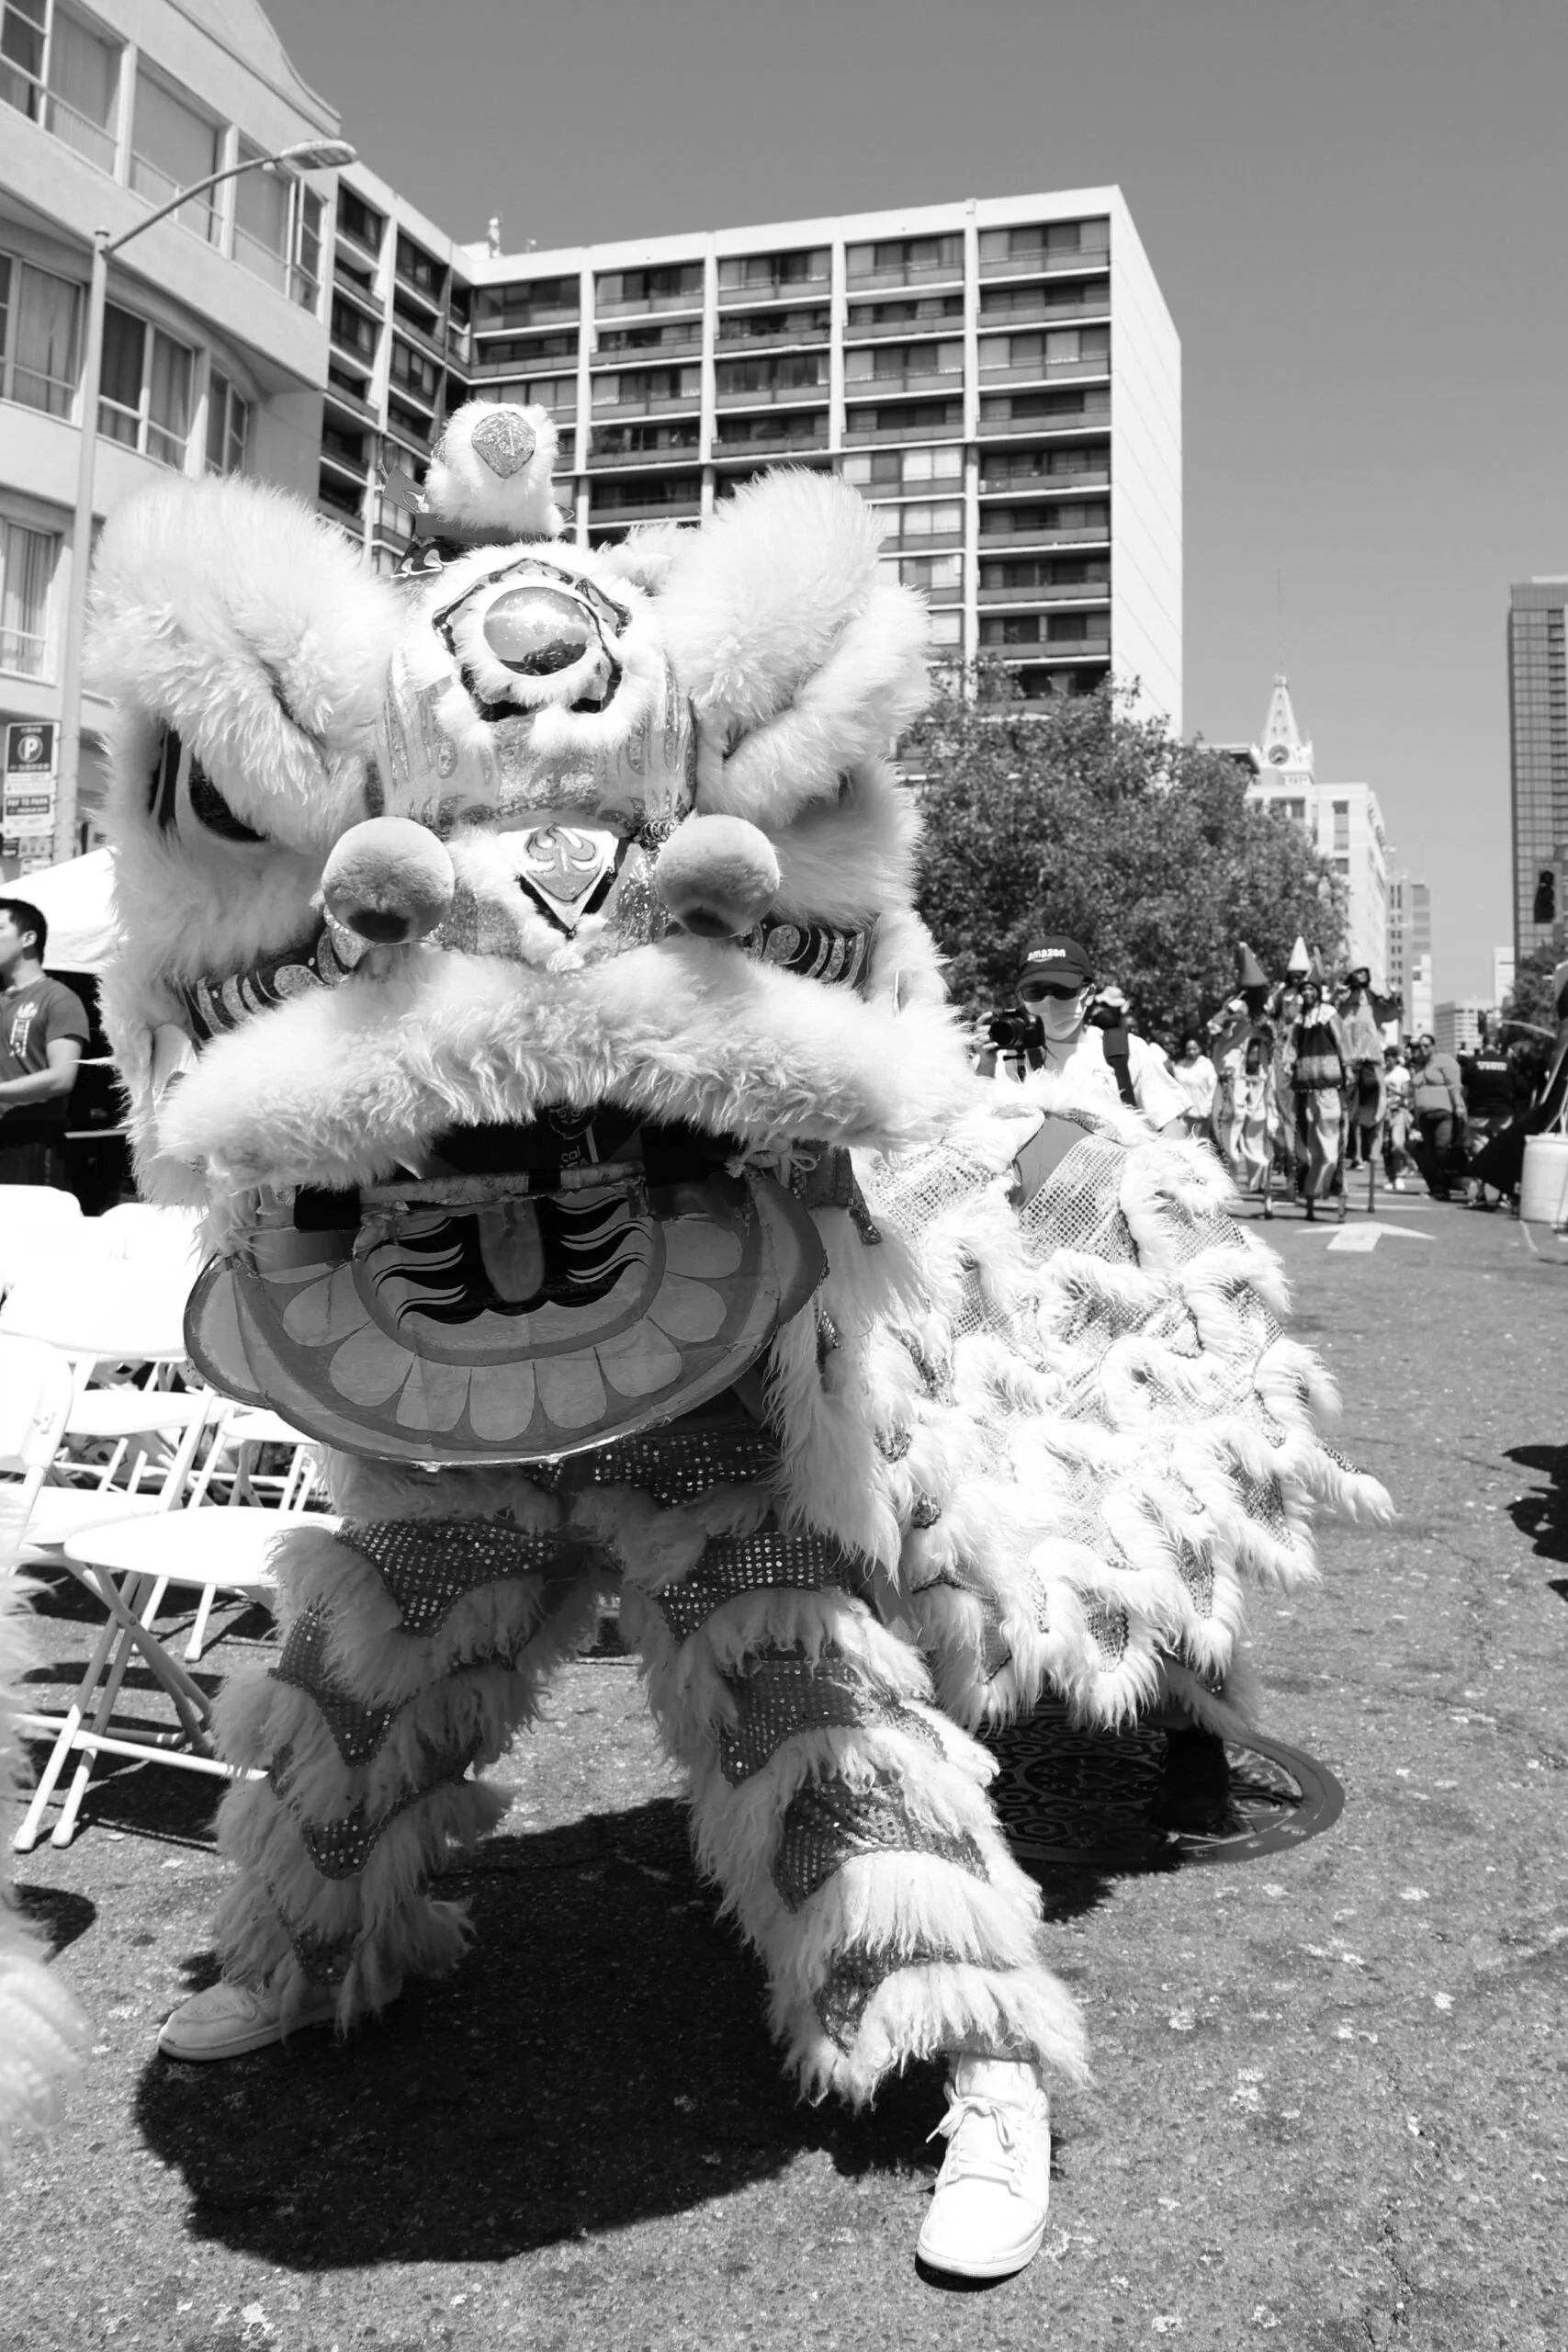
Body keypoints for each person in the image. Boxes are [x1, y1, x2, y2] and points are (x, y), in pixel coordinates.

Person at [992, 937, 1190, 1132]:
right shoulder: (1009, 1059)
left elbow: (1171, 1131)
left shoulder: (1128, 1051)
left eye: (1062, 990)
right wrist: (985, 1066)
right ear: (1021, 997)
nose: (1049, 1000)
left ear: (1089, 993)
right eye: (1036, 992)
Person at [0, 898, 89, 1188]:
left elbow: (62, 1077)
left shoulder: (59, 998)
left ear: (28, 938)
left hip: (32, 1138)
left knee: (27, 1217)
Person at [1288, 978, 1349, 1217]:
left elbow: (1342, 1041)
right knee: (1309, 1143)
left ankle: (1330, 1184)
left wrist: (1348, 1067)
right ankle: (1312, 1190)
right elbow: (1292, 1047)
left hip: (1329, 1084)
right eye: (1304, 989)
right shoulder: (1299, 1019)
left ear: (1318, 992)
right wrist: (1287, 1066)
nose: (1307, 992)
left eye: (1311, 988)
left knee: (1331, 1139)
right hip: (1305, 1087)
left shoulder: (1329, 1013)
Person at [1458, 1016, 1517, 1208]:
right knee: (1503, 1153)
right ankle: (1503, 1195)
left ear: (1483, 1045)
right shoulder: (1507, 1063)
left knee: (1479, 1153)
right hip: (1503, 1114)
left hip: (1478, 1114)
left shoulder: (1473, 1062)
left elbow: (1464, 1087)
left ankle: (1481, 1194)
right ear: (1498, 1046)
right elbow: (1516, 1086)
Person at [1337, 968, 1385, 1172]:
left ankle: (1370, 1154)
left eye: (1363, 974)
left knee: (1375, 1110)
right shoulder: (1342, 999)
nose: (1360, 978)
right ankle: (1353, 1154)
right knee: (1349, 1113)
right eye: (1357, 974)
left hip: (1372, 1062)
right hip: (1348, 1062)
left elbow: (1392, 1010)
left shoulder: (1374, 999)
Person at [1408, 1033, 1466, 1201]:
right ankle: (1438, 1188)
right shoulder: (1420, 1065)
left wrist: (1458, 1106)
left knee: (1441, 1147)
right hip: (1424, 1116)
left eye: (1426, 1045)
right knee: (1430, 1151)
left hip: (1444, 1113)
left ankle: (1446, 1184)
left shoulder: (1444, 1060)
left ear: (1434, 1046)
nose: (1422, 1049)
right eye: (1420, 1046)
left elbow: (1454, 1085)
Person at [1382, 1045, 1414, 1190]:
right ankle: (1391, 1177)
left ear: (1395, 1059)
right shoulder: (1382, 1073)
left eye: (1390, 1059)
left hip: (1399, 1110)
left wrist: (1391, 1089)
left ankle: (1401, 1173)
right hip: (1384, 1111)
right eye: (1386, 1059)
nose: (1387, 1062)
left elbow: (1406, 1093)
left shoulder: (1402, 1072)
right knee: (1386, 1147)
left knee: (1397, 1143)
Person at [1171, 1033, 1218, 1129]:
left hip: (1202, 1113)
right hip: (1184, 1114)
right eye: (1189, 1049)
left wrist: (1208, 1106)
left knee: (1200, 1138)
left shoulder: (1206, 1064)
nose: (1192, 1052)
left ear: (1200, 1048)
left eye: (1194, 1049)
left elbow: (1213, 1087)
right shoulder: (1180, 1066)